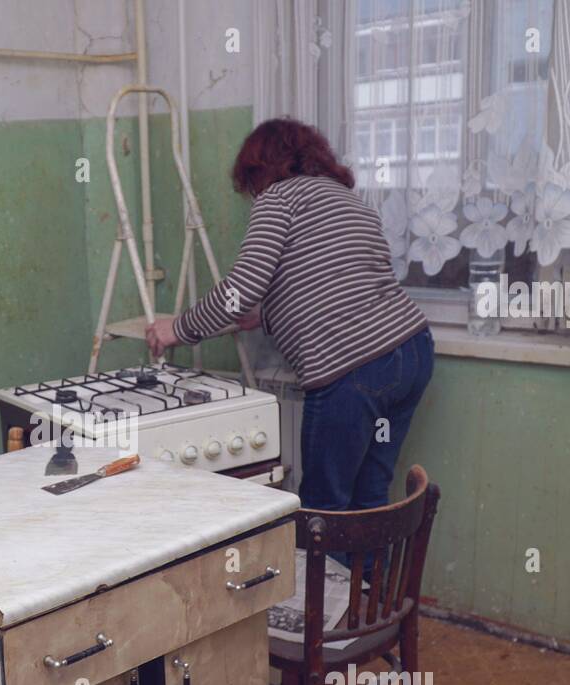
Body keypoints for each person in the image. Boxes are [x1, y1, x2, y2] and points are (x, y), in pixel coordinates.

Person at [146, 118, 434, 519]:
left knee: (322, 510)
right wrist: (265, 315)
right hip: (412, 350)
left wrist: (177, 328)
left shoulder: (279, 198)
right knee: (369, 494)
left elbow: (242, 287)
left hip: (352, 367)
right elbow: (337, 277)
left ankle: (323, 584)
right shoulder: (350, 200)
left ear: (260, 167)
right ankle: (367, 583)